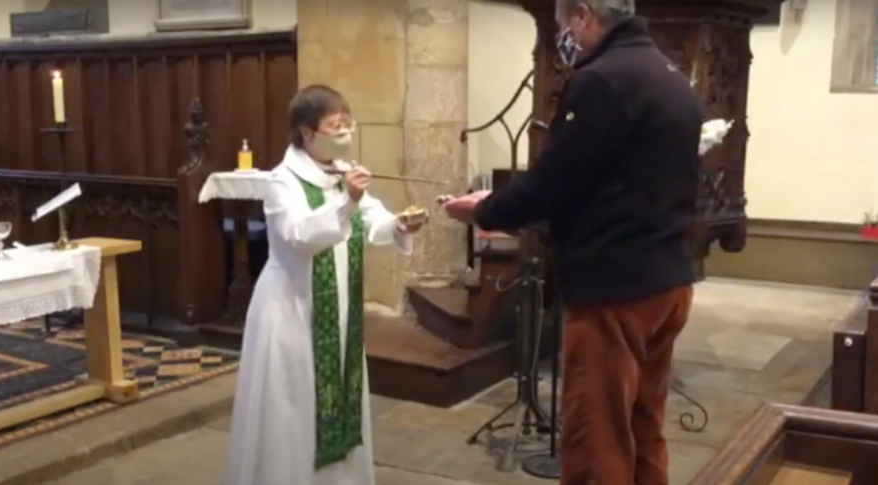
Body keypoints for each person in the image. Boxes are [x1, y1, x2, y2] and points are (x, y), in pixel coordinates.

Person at [443, 1, 704, 484]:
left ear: (583, 15)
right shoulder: (670, 73)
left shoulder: (602, 80)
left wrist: (484, 209)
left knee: (595, 436)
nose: (564, 37)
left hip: (614, 289)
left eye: (564, 25)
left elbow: (554, 184)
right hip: (667, 280)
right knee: (643, 425)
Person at [225, 85, 423, 485]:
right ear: (306, 133)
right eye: (335, 125)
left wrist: (398, 224)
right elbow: (299, 236)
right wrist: (347, 201)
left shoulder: (341, 171)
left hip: (341, 313)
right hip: (293, 311)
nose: (345, 131)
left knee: (339, 400)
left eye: (347, 122)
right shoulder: (283, 181)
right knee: (295, 407)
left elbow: (372, 220)